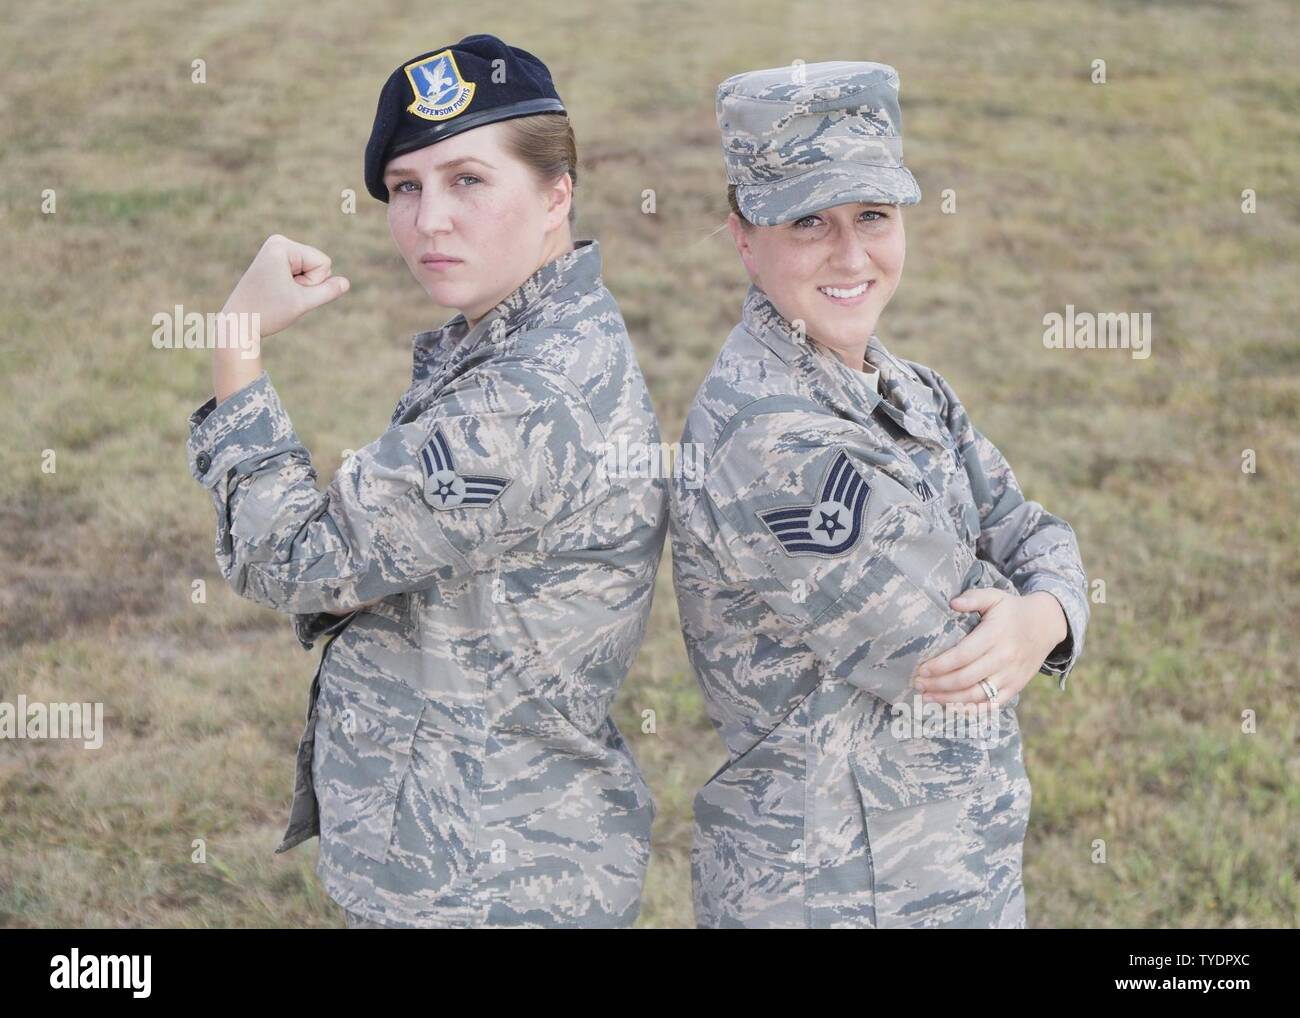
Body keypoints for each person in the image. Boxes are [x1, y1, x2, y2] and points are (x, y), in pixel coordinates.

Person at [185, 34, 667, 928]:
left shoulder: (521, 401)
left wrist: (234, 345)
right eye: (406, 187)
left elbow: (294, 559)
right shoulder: (536, 333)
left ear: (557, 192)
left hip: (484, 879)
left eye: (468, 180)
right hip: (496, 845)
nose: (428, 219)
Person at [669, 60, 1090, 928]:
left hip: (944, 871)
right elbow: (951, 658)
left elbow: (1033, 526)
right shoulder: (769, 436)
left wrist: (1040, 614)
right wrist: (1034, 605)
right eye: (808, 222)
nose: (852, 254)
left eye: (873, 216)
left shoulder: (903, 385)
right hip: (837, 893)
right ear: (744, 236)